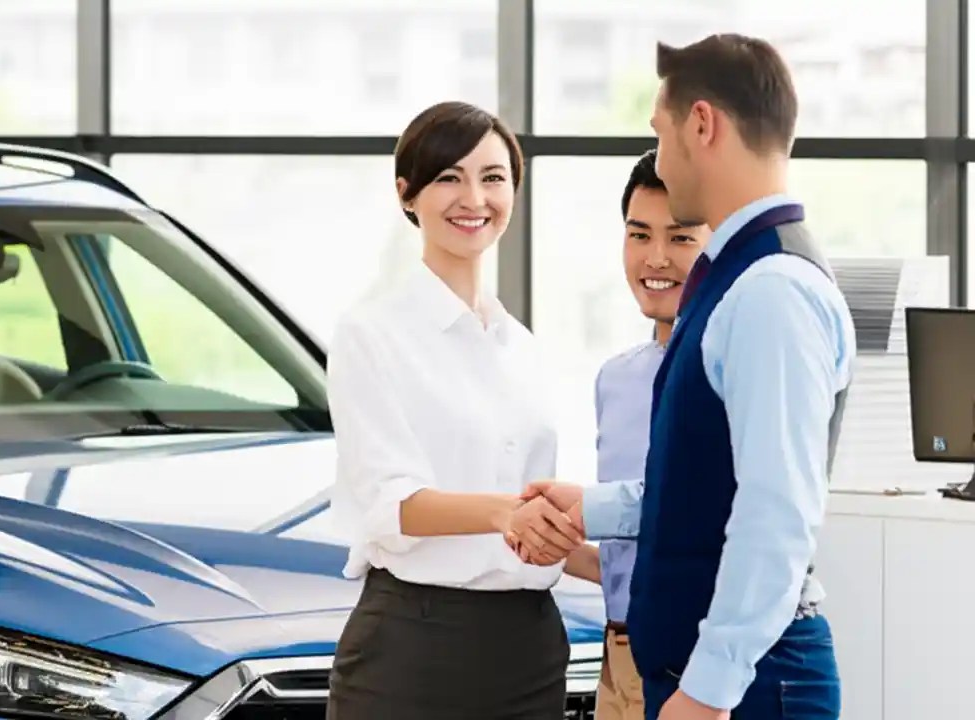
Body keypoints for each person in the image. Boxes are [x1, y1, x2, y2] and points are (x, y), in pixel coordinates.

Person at [520, 35, 856, 720]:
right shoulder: (736, 279)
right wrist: (588, 505)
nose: (661, 160)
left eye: (660, 133)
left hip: (746, 688)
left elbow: (775, 512)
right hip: (716, 680)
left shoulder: (769, 290)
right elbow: (709, 484)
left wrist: (708, 690)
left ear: (701, 124)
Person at [324, 100, 594, 720]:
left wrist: (628, 572)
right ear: (407, 194)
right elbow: (390, 504)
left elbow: (534, 523)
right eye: (449, 177)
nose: (473, 197)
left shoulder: (522, 347)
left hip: (530, 647)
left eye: (493, 178)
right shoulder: (371, 333)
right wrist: (509, 515)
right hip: (417, 647)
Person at [592, 149, 709, 720]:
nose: (655, 258)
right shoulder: (615, 379)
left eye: (680, 239)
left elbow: (696, 518)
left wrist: (577, 510)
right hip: (614, 658)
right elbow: (627, 554)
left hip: (686, 662)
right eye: (639, 235)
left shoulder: (722, 369)